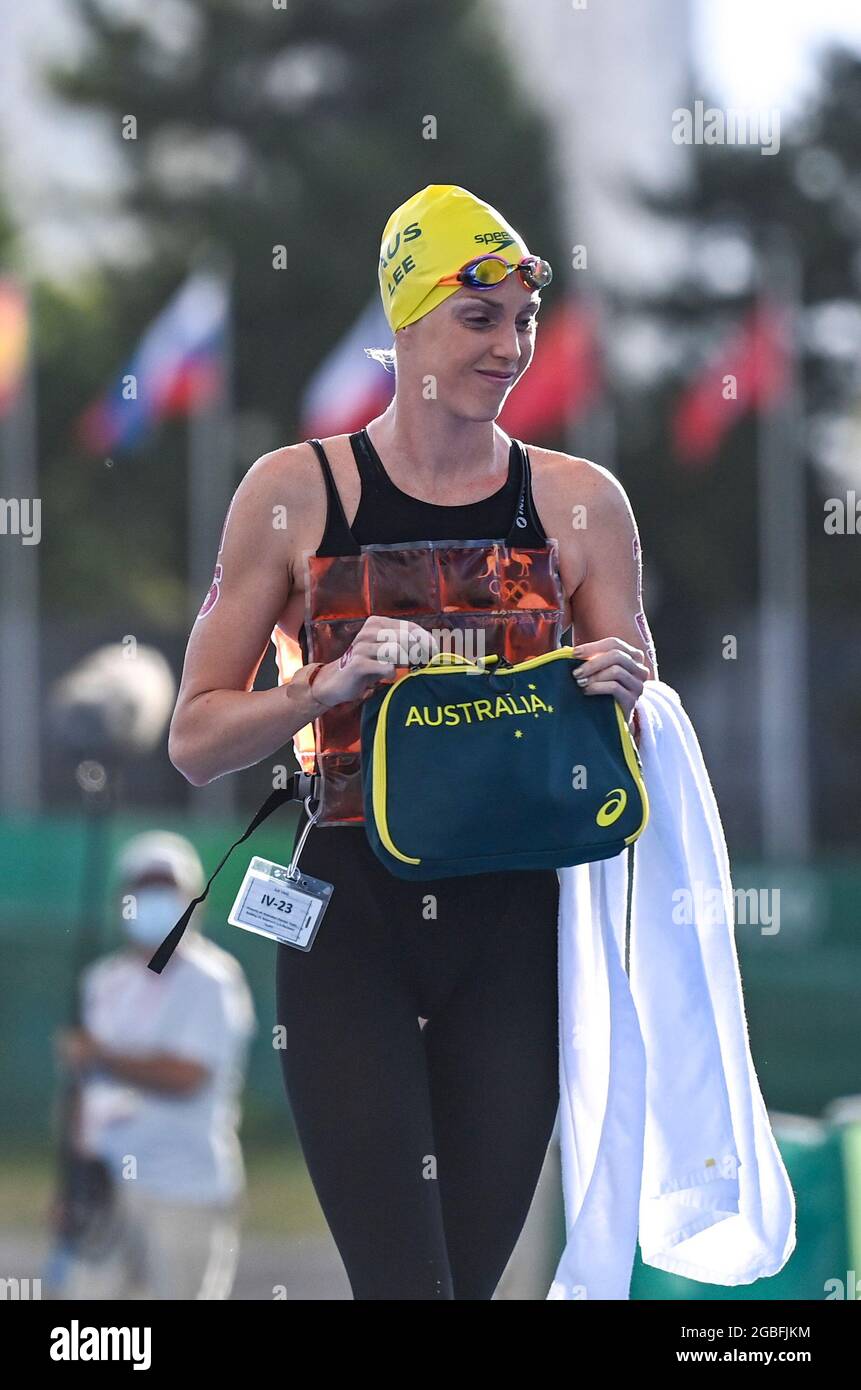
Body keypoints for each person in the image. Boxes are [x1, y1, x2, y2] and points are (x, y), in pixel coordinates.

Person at [168, 183, 656, 1299]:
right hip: (350, 919)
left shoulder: (580, 503)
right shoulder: (298, 493)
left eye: (523, 319)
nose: (511, 346)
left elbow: (638, 715)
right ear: (407, 323)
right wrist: (323, 686)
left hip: (518, 926)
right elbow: (195, 738)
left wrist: (631, 686)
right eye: (478, 317)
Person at [54, 830, 256, 1300]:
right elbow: (81, 1091)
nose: (154, 899)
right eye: (143, 886)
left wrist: (102, 1056)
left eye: (167, 887)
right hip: (103, 1188)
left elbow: (188, 1075)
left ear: (192, 899)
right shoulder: (102, 981)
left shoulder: (214, 980)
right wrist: (68, 1179)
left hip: (184, 1186)